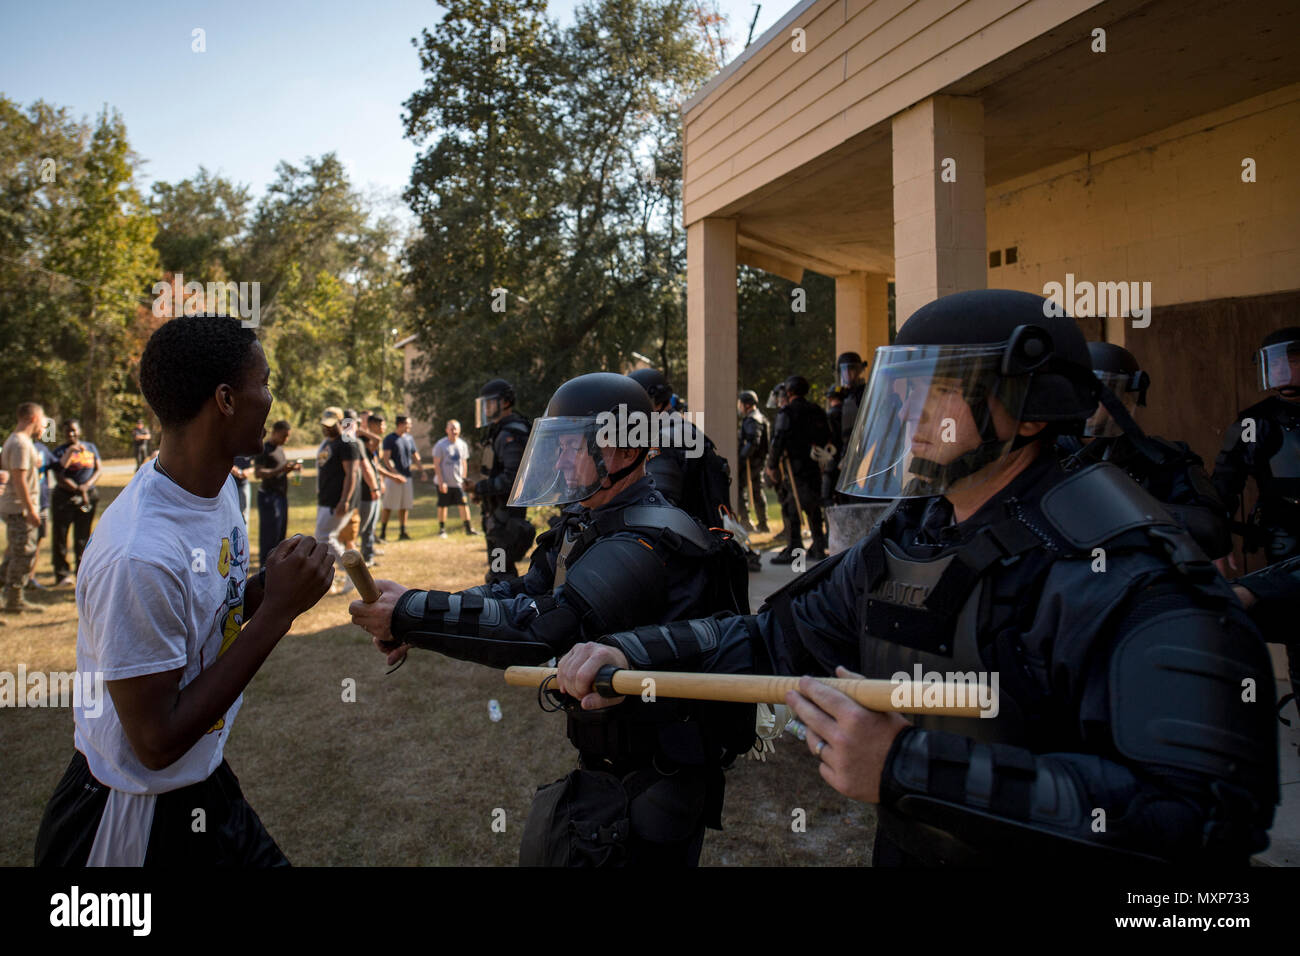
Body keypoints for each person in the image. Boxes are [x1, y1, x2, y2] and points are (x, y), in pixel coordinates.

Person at [559, 289, 1278, 866]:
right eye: (904, 392)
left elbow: (1202, 814)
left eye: (938, 392)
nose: (908, 416)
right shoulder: (915, 537)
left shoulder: (1131, 576)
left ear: (1026, 413)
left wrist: (909, 768)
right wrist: (637, 655)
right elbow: (772, 640)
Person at [350, 373, 753, 866]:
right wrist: (417, 610)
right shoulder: (588, 518)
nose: (559, 461)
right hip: (611, 763)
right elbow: (521, 591)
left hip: (659, 776)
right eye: (556, 446)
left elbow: (541, 627)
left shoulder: (646, 540)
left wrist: (411, 614)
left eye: (571, 447)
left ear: (625, 452)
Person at [33, 314, 335, 866]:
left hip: (202, 784)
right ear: (225, 399)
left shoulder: (212, 489)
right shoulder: (138, 553)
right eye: (263, 383)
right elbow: (155, 742)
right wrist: (279, 614)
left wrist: (270, 586)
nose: (270, 398)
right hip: (133, 820)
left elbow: (207, 608)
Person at [1057, 342, 1230, 560]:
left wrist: (1131, 506)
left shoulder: (1165, 458)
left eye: (1098, 391)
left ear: (1125, 399)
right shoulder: (1038, 454)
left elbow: (1212, 531)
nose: (1085, 400)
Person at [1212, 326, 1300, 721]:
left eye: (1293, 361)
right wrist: (1216, 535)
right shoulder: (1255, 421)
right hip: (1285, 536)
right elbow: (1223, 485)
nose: (1285, 371)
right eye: (1277, 363)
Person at [626, 367, 732, 529]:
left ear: (656, 402)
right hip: (703, 530)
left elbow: (659, 506)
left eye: (635, 405)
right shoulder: (684, 428)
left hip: (686, 540)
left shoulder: (663, 438)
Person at [472, 379, 534, 583]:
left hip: (506, 519)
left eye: (490, 403)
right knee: (499, 570)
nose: (486, 408)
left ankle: (504, 610)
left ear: (505, 403)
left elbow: (513, 479)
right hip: (497, 517)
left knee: (501, 573)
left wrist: (479, 487)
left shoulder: (511, 433)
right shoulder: (500, 430)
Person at [766, 375, 830, 563]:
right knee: (814, 509)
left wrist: (771, 465)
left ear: (789, 391)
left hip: (795, 468)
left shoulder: (787, 412)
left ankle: (794, 551)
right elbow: (826, 435)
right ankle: (818, 547)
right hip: (813, 466)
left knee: (791, 508)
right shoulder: (816, 410)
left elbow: (779, 439)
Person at [1, 402, 49, 614]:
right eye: (43, 421)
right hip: (20, 510)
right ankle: (14, 602)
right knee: (23, 555)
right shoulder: (20, 443)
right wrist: (30, 510)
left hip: (19, 509)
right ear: (32, 419)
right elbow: (19, 479)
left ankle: (14, 599)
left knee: (16, 554)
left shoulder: (21, 442)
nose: (44, 426)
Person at [50, 419, 102, 588]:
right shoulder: (59, 451)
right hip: (64, 498)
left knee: (83, 536)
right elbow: (59, 475)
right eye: (67, 431)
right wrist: (78, 489)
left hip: (88, 497)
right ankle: (62, 574)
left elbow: (98, 468)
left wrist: (87, 487)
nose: (71, 434)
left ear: (80, 430)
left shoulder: (90, 447)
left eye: (74, 430)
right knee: (61, 536)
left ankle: (82, 570)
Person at [315, 406, 360, 594]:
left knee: (325, 536)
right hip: (325, 498)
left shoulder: (347, 443)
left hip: (337, 501)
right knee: (323, 538)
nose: (326, 428)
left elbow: (351, 474)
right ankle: (332, 577)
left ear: (340, 423)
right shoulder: (328, 443)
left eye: (330, 425)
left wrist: (344, 500)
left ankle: (353, 572)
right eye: (324, 425)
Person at [253, 420, 300, 570]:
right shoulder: (264, 449)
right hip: (268, 497)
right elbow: (258, 473)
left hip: (280, 496)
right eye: (284, 436)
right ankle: (265, 569)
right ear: (275, 432)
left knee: (280, 536)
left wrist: (289, 469)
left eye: (288, 437)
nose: (286, 439)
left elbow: (279, 469)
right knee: (269, 537)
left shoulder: (279, 449)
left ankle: (277, 567)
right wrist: (280, 470)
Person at [379, 415, 422, 542]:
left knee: (405, 506)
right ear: (401, 424)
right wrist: (394, 474)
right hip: (393, 479)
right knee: (388, 505)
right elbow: (386, 459)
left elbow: (415, 455)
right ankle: (383, 533)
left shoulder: (409, 438)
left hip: (407, 477)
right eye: (408, 424)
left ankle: (402, 531)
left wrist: (422, 470)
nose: (410, 426)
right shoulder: (389, 439)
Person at [431, 419, 477, 537]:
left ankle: (468, 528)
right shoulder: (441, 445)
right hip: (444, 482)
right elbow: (436, 464)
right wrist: (441, 482)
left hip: (458, 483)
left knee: (464, 505)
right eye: (451, 428)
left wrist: (464, 480)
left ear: (459, 430)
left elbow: (464, 463)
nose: (454, 431)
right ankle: (442, 530)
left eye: (456, 428)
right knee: (443, 506)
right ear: (447, 430)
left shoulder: (462, 444)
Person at [736, 390, 770, 534]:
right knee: (757, 491)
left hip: (753, 462)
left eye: (741, 404)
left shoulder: (753, 419)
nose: (740, 407)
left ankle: (748, 522)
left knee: (741, 489)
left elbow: (752, 441)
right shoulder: (759, 417)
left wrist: (741, 459)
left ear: (748, 405)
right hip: (758, 461)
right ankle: (762, 524)